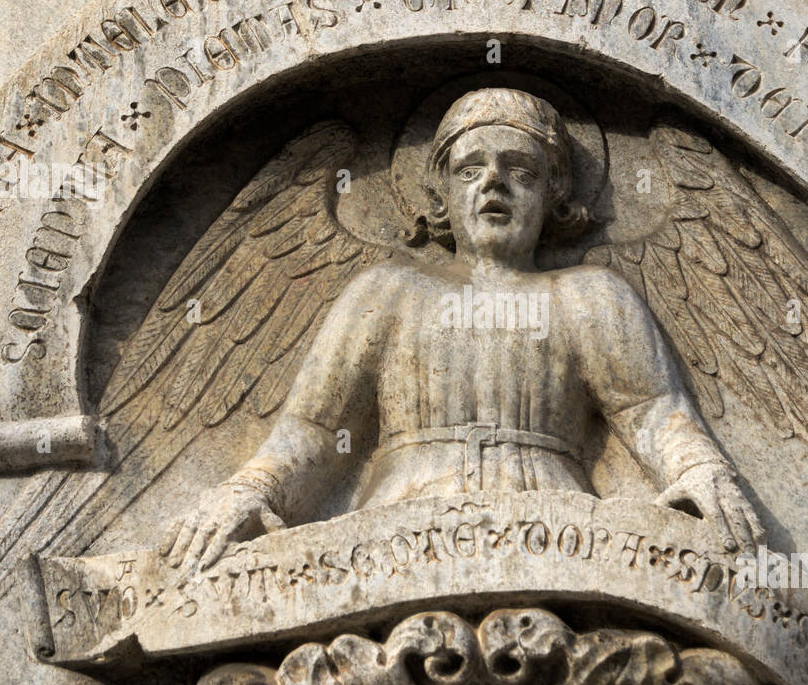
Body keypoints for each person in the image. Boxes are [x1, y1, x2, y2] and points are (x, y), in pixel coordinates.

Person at [163, 88, 765, 569]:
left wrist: (700, 474)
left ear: (556, 191)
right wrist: (251, 491)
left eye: (520, 169)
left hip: (559, 536)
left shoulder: (591, 296)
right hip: (396, 535)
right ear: (442, 192)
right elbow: (316, 431)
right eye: (471, 168)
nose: (494, 182)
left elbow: (654, 412)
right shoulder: (387, 292)